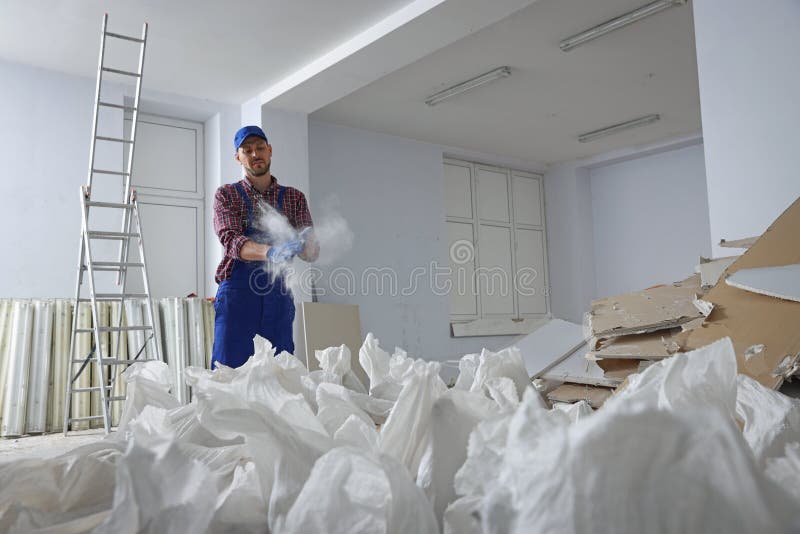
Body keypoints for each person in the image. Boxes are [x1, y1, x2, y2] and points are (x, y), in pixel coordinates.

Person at [211, 125, 319, 368]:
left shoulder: (294, 198)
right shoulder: (227, 195)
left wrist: (305, 243)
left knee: (280, 371)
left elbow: (311, 253)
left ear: (270, 151)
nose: (254, 154)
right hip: (238, 295)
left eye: (260, 148)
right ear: (238, 157)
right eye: (247, 150)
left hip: (278, 295)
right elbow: (231, 240)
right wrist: (270, 252)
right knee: (229, 372)